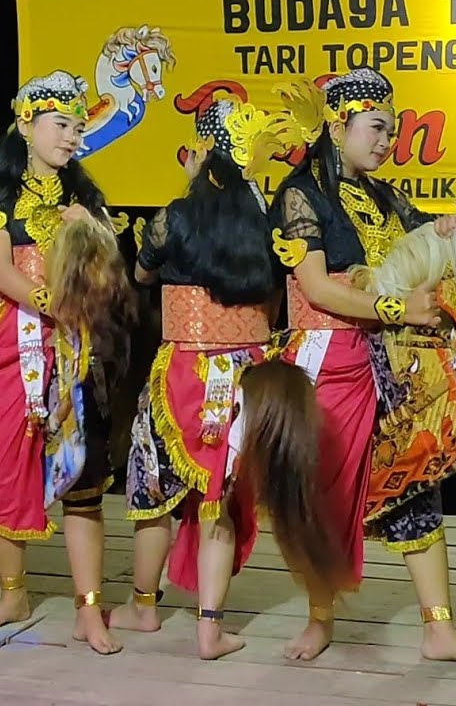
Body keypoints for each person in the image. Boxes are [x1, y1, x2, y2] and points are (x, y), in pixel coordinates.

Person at [267, 68, 456, 670]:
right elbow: (316, 287)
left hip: (390, 360)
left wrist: (447, 232)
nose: (385, 141)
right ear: (338, 123)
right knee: (325, 492)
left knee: (417, 481)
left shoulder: (383, 195)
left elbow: (423, 236)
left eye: (391, 130)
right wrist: (395, 306)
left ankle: (439, 628)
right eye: (375, 128)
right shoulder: (301, 194)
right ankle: (320, 619)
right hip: (328, 360)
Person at [107, 95, 289, 658]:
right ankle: (210, 629)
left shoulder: (176, 216)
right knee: (219, 499)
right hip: (246, 377)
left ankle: (143, 606)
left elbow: (141, 271)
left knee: (154, 492)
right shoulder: (269, 218)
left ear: (206, 147)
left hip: (182, 372)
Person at [0, 70, 136, 654]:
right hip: (9, 346)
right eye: (61, 125)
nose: (71, 137)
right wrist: (52, 302)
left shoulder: (85, 199)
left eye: (77, 127)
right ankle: (13, 592)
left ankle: (89, 611)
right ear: (25, 125)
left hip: (76, 348)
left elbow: (116, 272)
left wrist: (91, 230)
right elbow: (1, 273)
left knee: (83, 475)